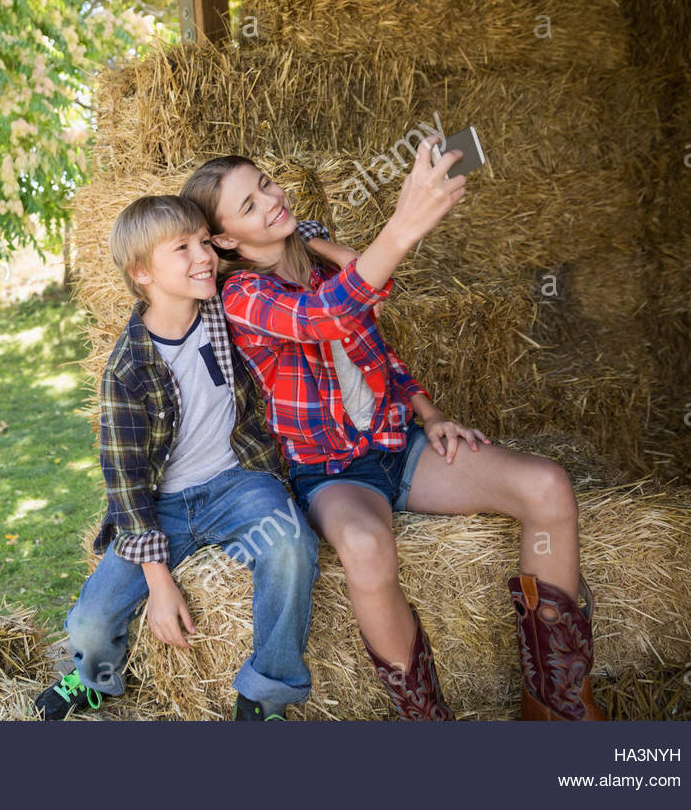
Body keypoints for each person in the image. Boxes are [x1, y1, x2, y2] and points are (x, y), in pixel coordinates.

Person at [179, 135, 606, 721]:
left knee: (548, 486)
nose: (270, 200)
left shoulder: (312, 253)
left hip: (396, 445)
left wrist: (430, 415)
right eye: (248, 206)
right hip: (333, 470)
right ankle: (427, 724)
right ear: (225, 240)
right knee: (364, 545)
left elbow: (377, 354)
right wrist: (403, 225)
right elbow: (328, 316)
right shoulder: (243, 295)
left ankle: (556, 707)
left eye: (266, 184)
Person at [34, 195, 320, 721]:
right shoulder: (127, 369)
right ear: (142, 272)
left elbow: (269, 243)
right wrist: (159, 583)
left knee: (290, 544)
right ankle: (96, 677)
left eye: (205, 242)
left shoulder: (223, 306)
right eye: (182, 248)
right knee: (90, 623)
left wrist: (312, 233)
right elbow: (124, 483)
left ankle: (266, 692)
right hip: (159, 505)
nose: (204, 256)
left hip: (236, 482)